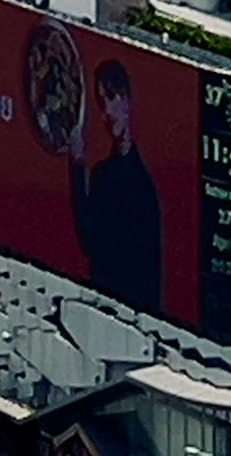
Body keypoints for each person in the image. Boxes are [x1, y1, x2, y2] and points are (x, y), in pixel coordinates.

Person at [69, 60, 163, 309]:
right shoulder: (103, 173)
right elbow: (89, 238)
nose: (107, 111)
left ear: (127, 100)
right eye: (101, 102)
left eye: (112, 97)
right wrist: (77, 165)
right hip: (106, 304)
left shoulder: (143, 184)